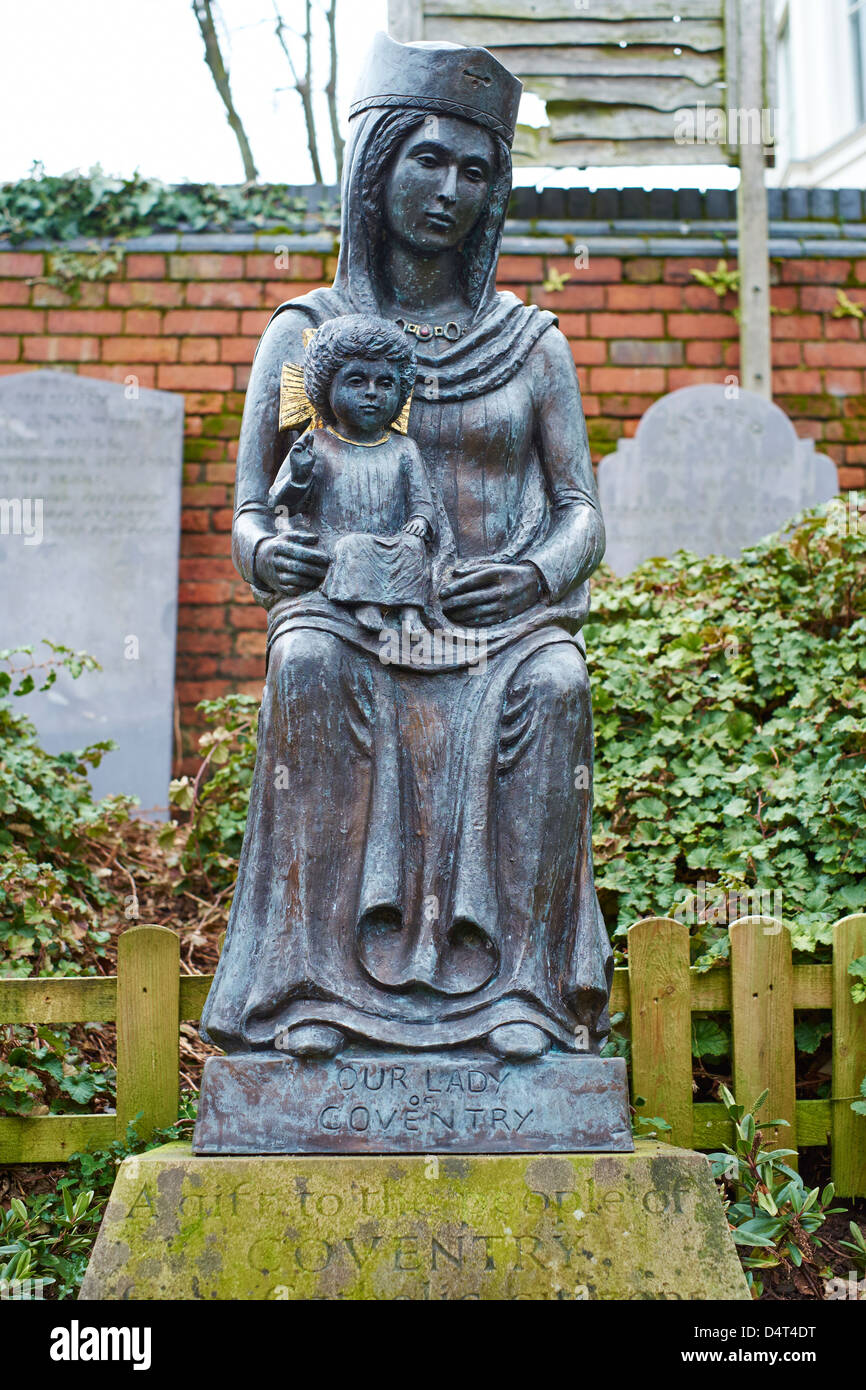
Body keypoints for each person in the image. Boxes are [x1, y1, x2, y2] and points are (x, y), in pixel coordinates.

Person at [202, 33, 609, 1063]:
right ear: (377, 164)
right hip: (345, 616)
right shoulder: (308, 336)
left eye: (475, 170)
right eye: (427, 159)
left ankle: (522, 991)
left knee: (557, 682)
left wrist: (526, 574)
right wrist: (268, 558)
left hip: (498, 631)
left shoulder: (530, 344)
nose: (448, 190)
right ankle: (309, 988)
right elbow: (251, 507)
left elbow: (579, 516)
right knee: (304, 662)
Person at [267, 315, 436, 637]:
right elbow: (280, 507)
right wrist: (300, 477)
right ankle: (363, 604)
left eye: (385, 383)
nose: (372, 393)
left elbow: (421, 499)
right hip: (339, 542)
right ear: (325, 387)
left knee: (412, 549)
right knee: (353, 546)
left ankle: (411, 613)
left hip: (392, 538)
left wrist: (421, 521)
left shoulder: (404, 449)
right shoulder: (315, 443)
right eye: (356, 381)